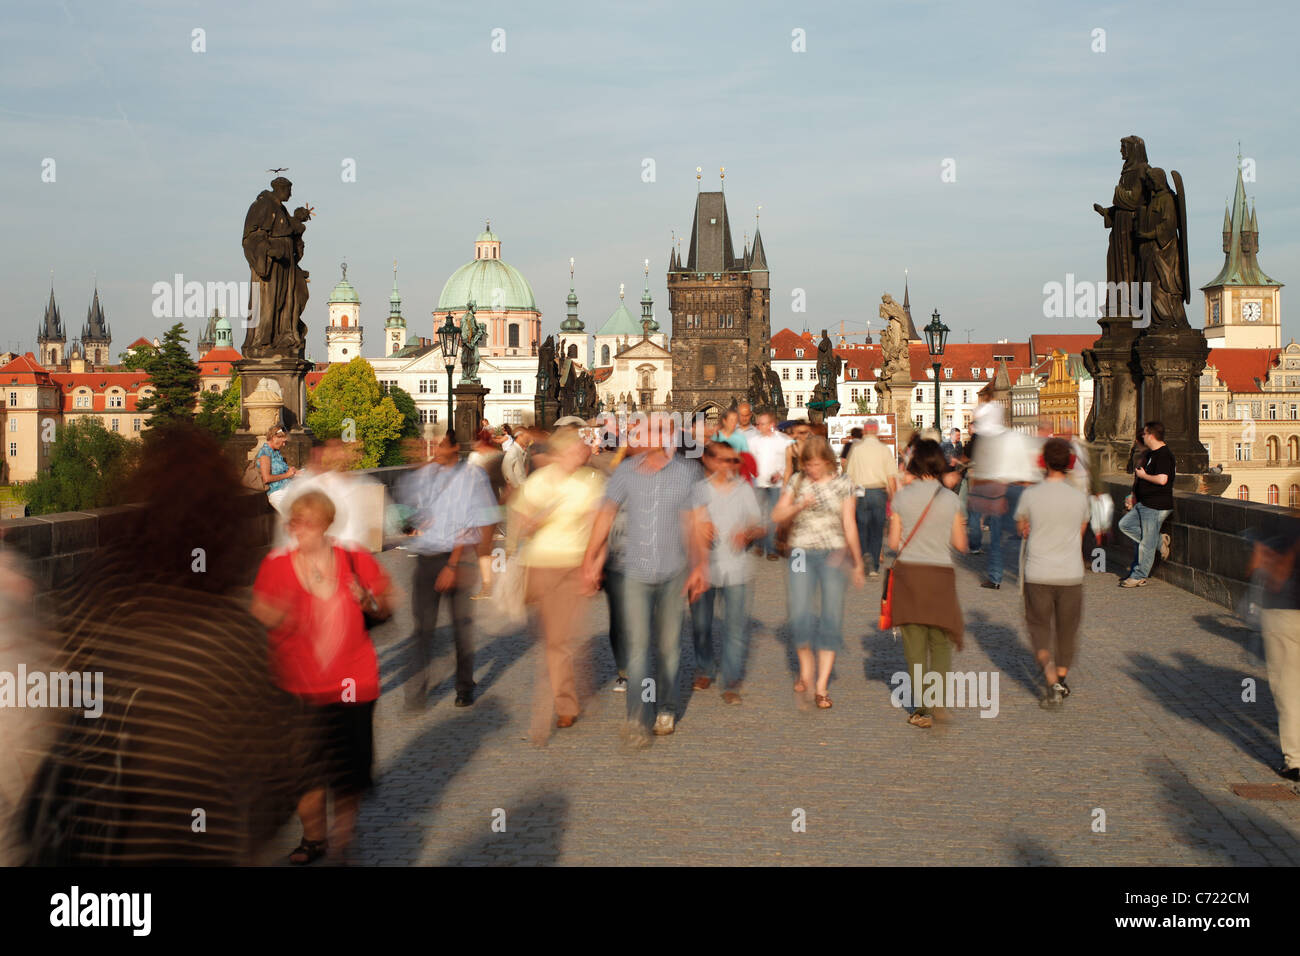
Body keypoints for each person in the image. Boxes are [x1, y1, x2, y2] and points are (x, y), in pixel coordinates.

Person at [251, 490, 393, 865]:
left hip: (353, 684)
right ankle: (314, 838)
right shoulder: (277, 564)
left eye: (306, 522)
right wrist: (277, 614)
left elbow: (387, 605)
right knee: (304, 770)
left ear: (325, 524)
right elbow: (258, 612)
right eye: (293, 522)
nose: (298, 529)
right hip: (296, 686)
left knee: (349, 773)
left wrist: (367, 602)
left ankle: (342, 838)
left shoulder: (353, 557)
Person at [582, 416, 706, 748]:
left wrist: (699, 566)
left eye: (642, 432)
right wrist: (591, 559)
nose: (634, 436)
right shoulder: (625, 472)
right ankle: (637, 715)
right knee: (637, 647)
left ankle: (665, 707)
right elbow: (605, 514)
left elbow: (694, 522)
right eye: (635, 432)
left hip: (673, 569)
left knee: (667, 649)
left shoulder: (686, 472)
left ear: (663, 437)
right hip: (633, 568)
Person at [512, 426, 606, 737]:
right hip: (539, 566)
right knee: (555, 639)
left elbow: (599, 530)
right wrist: (533, 520)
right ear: (562, 451)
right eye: (576, 448)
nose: (581, 453)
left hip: (572, 565)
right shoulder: (540, 482)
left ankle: (565, 704)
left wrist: (594, 566)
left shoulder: (591, 483)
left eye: (582, 449)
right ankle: (569, 690)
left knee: (559, 639)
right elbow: (517, 527)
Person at [397, 429, 499, 708]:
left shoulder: (472, 477)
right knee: (423, 628)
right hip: (427, 559)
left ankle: (464, 686)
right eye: (432, 446)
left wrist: (454, 565)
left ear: (455, 447)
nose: (435, 450)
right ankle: (416, 691)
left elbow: (476, 520)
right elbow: (405, 513)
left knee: (461, 627)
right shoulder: (424, 476)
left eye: (440, 445)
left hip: (458, 558)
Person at [772, 436, 866, 709]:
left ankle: (821, 686)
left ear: (827, 461)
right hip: (800, 552)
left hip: (833, 554)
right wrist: (799, 505)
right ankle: (805, 670)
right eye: (807, 464)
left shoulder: (843, 484)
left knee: (831, 618)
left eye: (815, 464)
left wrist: (857, 562)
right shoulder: (797, 482)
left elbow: (849, 523)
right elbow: (777, 515)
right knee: (800, 614)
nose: (811, 469)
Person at [887, 439, 968, 729]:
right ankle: (939, 703)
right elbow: (961, 544)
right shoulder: (950, 499)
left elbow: (894, 543)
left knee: (915, 643)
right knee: (941, 641)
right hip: (940, 575)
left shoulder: (902, 498)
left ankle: (922, 709)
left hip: (910, 574)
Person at [1014, 438, 1090, 709]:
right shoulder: (1079, 498)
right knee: (1067, 631)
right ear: (1069, 464)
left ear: (1043, 462)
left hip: (1038, 572)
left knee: (1039, 627)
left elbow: (1022, 527)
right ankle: (1061, 676)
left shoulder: (1031, 495)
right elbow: (1080, 534)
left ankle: (1049, 677)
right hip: (1070, 573)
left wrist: (1030, 527)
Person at [688, 442, 764, 703]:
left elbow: (758, 523)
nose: (732, 466)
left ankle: (730, 681)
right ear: (709, 462)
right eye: (725, 460)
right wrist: (697, 529)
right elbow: (682, 525)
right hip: (704, 568)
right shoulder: (697, 490)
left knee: (735, 628)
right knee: (701, 625)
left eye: (735, 461)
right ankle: (705, 668)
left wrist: (749, 533)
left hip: (737, 569)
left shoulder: (744, 490)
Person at [1247, 529, 1300, 781]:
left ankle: (1296, 761)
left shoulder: (1285, 533)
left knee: (1289, 691)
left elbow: (1268, 576)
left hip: (1285, 615)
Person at [1118, 421, 1175, 588]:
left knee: (1145, 544)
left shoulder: (1164, 454)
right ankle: (1158, 540)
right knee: (1125, 525)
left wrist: (1144, 476)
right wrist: (1133, 495)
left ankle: (1139, 576)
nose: (1142, 436)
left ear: (1150, 435)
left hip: (1156, 505)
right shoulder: (1151, 454)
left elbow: (1162, 479)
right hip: (1144, 503)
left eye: (1144, 434)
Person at [845, 419, 897, 577]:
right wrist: (894, 499)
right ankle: (874, 566)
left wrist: (849, 498)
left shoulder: (856, 449)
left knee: (862, 527)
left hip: (860, 490)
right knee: (877, 530)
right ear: (876, 431)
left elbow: (850, 476)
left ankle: (862, 560)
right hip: (879, 491)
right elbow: (891, 478)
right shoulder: (884, 450)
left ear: (865, 431)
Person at [749, 411, 793, 560]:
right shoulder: (753, 441)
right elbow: (750, 462)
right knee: (759, 516)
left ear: (771, 425)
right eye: (757, 424)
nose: (758, 426)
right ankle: (760, 543)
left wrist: (781, 475)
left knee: (773, 517)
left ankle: (772, 549)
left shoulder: (784, 440)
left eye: (761, 424)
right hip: (758, 483)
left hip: (777, 485)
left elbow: (789, 464)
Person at [257, 424, 298, 511]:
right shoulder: (265, 453)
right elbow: (266, 478)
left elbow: (282, 469)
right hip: (278, 492)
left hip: (288, 488)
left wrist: (295, 472)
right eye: (283, 441)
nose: (284, 445)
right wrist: (287, 475)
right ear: (274, 438)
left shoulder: (276, 451)